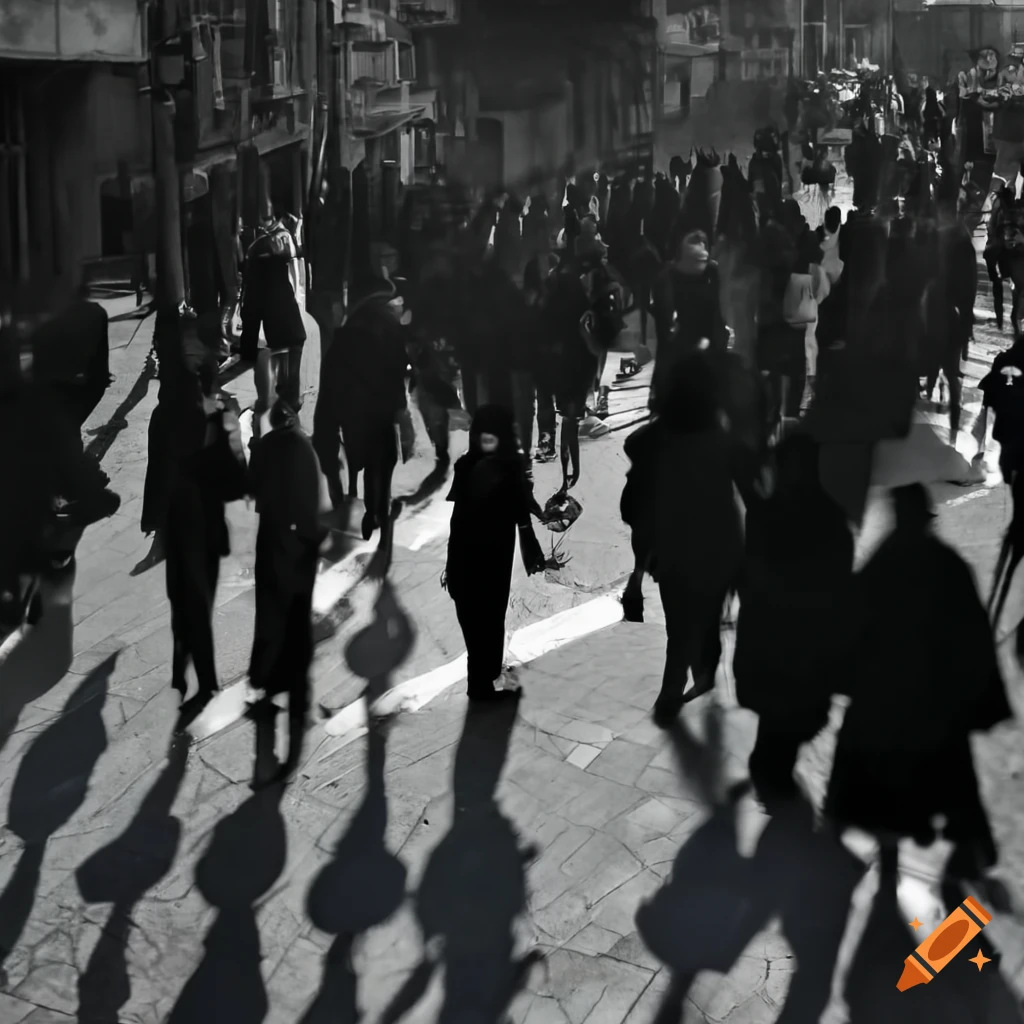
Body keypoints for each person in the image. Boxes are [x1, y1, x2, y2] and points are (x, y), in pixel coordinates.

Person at [825, 484, 1012, 886]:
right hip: (935, 704)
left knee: (868, 774)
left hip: (882, 701)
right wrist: (983, 698)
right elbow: (973, 636)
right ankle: (972, 850)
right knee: (952, 776)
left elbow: (848, 627)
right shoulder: (947, 565)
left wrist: (840, 676)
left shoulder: (881, 564)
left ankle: (873, 847)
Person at [734, 432, 854, 805]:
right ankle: (772, 775)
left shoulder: (766, 515)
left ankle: (770, 774)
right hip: (806, 643)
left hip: (768, 638)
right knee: (792, 716)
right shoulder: (832, 519)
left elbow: (748, 575)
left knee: (777, 716)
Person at [635, 350, 744, 725]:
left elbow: (633, 503)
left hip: (675, 547)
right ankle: (704, 672)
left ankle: (672, 693)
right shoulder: (721, 436)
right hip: (719, 545)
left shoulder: (655, 440)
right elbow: (752, 484)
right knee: (709, 614)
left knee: (678, 625)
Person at [167, 323, 249, 730]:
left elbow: (158, 476)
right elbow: (237, 480)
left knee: (184, 602)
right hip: (205, 526)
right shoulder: (219, 421)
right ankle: (193, 672)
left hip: (183, 525)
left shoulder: (171, 419)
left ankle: (194, 673)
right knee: (194, 604)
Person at [247, 398, 330, 784]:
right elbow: (315, 498)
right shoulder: (304, 445)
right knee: (297, 613)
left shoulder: (266, 447)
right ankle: (293, 680)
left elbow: (250, 490)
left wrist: (250, 447)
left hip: (273, 538)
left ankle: (266, 678)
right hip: (302, 543)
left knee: (270, 609)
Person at [442, 405, 546, 703]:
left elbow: (460, 519)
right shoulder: (498, 468)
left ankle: (482, 679)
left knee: (480, 620)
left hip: (473, 558)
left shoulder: (475, 466)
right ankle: (481, 682)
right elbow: (519, 513)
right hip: (482, 559)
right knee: (485, 619)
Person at [238, 197, 306, 447]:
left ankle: (282, 438)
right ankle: (291, 434)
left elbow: (252, 307)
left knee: (280, 390)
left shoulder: (258, 250)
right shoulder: (283, 239)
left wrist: (247, 349)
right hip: (291, 325)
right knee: (290, 388)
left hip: (278, 330)